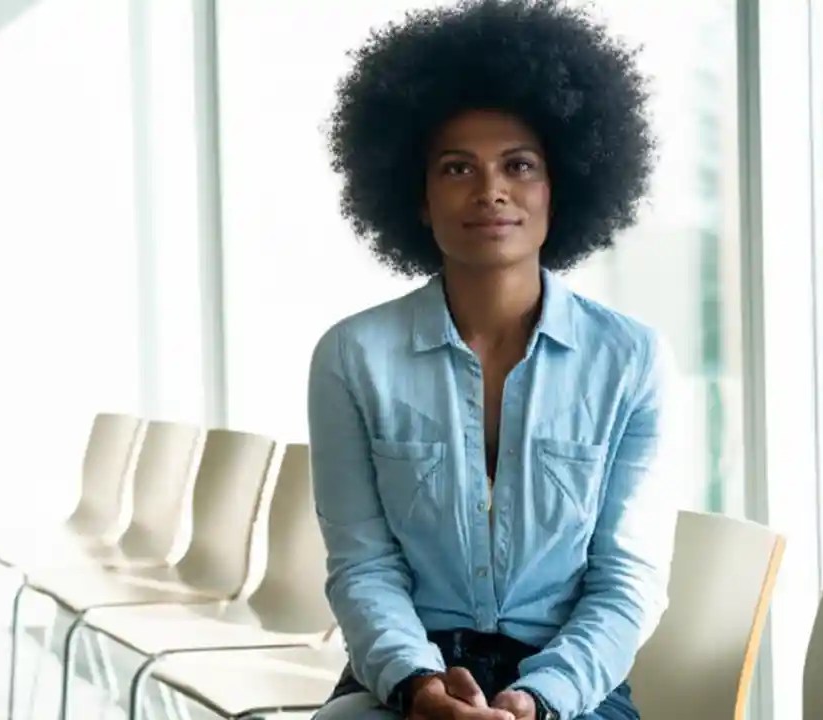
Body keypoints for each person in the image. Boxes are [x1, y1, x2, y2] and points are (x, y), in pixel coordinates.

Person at [306, 2, 679, 719]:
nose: (490, 191)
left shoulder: (630, 359)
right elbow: (362, 566)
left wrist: (537, 699)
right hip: (403, 675)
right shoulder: (352, 357)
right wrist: (419, 686)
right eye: (457, 168)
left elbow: (627, 578)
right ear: (416, 197)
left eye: (519, 165)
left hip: (570, 683)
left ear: (557, 185)